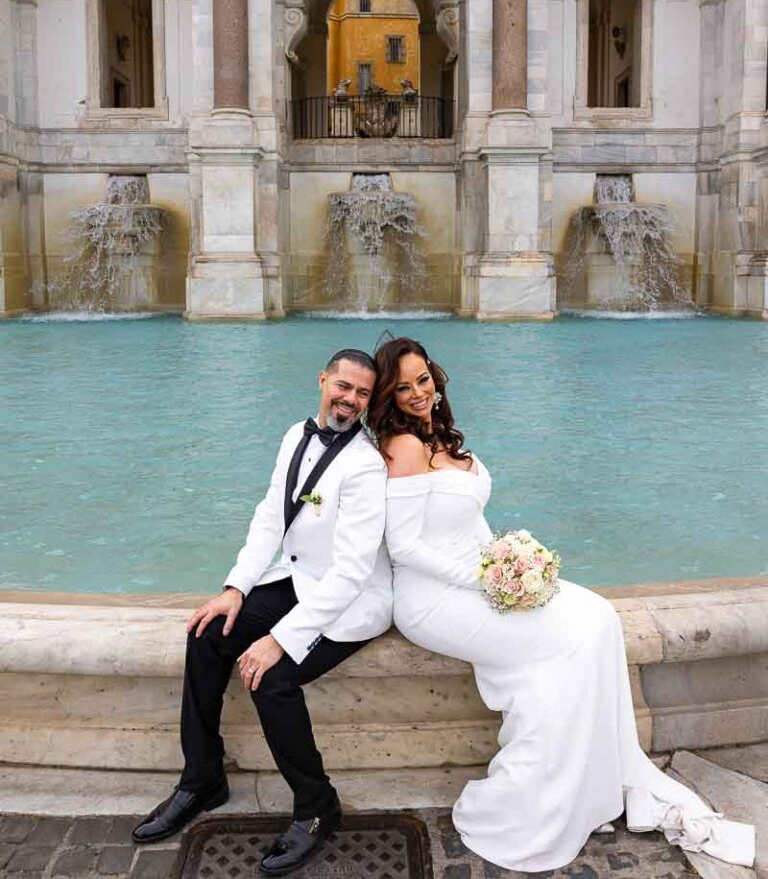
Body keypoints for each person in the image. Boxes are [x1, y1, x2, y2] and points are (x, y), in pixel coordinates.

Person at [367, 336, 755, 875]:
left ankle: (590, 785)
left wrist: (507, 559)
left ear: (436, 377)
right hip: (433, 600)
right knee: (570, 642)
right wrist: (487, 579)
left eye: (423, 380)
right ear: (389, 395)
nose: (417, 393)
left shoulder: (441, 436)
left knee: (599, 617)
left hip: (479, 578)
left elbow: (467, 520)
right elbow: (405, 547)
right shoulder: (402, 447)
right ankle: (531, 803)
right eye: (403, 387)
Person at [133, 348, 392, 876]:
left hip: (351, 602)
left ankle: (317, 806)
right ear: (322, 380)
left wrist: (280, 639)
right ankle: (203, 779)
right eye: (343, 386)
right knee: (208, 632)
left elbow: (351, 572)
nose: (350, 400)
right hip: (300, 580)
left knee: (271, 679)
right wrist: (235, 587)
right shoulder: (294, 435)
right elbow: (270, 518)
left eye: (362, 394)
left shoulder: (365, 464)